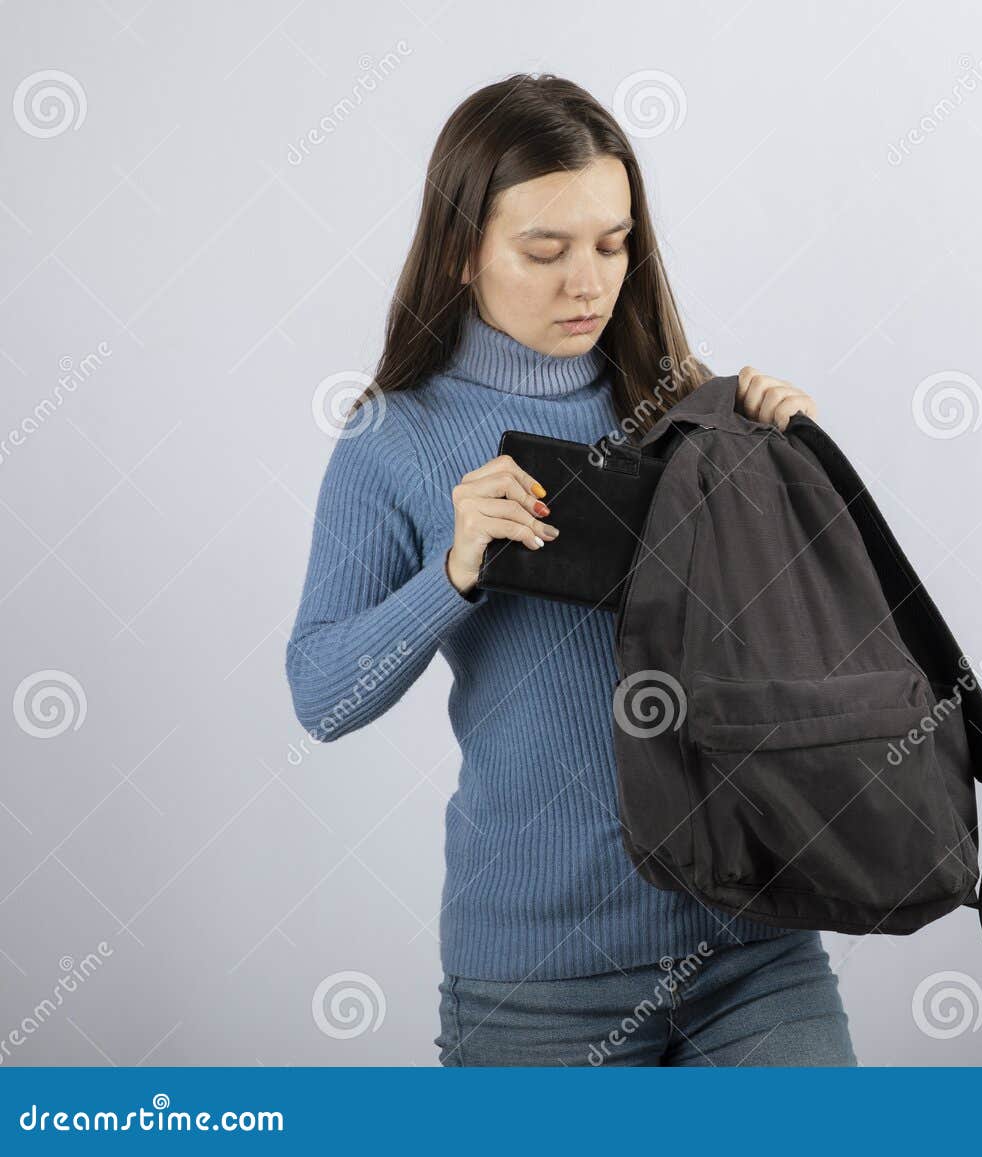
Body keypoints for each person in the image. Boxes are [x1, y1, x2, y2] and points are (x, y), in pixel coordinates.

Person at [285, 73, 855, 1066]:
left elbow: (800, 643)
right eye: (545, 251)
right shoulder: (394, 439)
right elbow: (321, 695)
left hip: (755, 946)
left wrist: (790, 475)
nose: (586, 283)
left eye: (612, 244)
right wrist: (454, 571)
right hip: (539, 983)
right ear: (462, 251)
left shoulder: (688, 407)